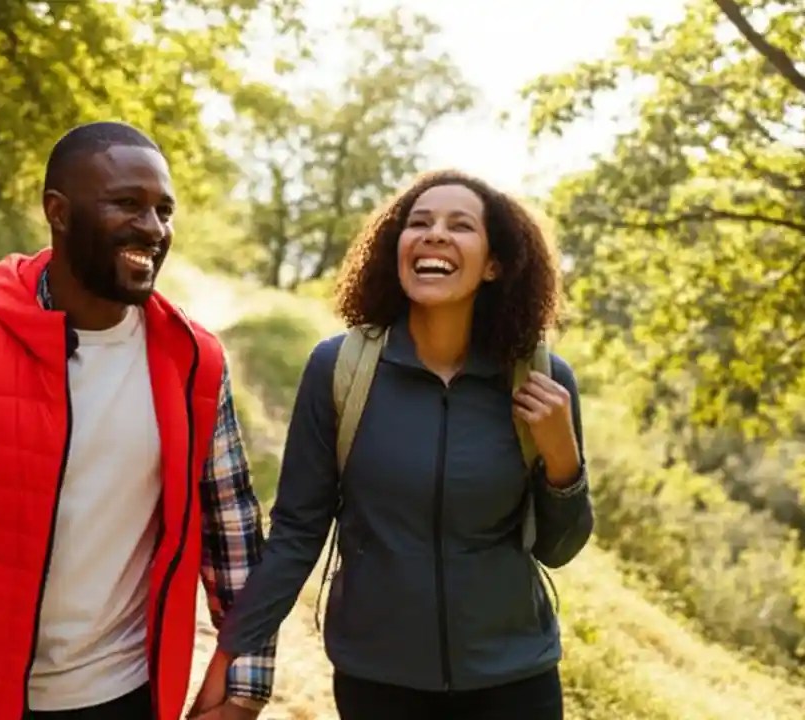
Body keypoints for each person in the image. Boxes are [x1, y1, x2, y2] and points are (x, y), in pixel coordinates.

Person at [0, 121, 275, 720]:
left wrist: (246, 685)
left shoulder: (195, 362)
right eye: (127, 204)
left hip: (127, 698)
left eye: (164, 210)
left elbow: (237, 545)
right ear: (58, 212)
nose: (153, 228)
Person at [215, 169, 594, 720]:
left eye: (459, 225)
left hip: (515, 680)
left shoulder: (540, 379)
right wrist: (232, 653)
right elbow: (298, 531)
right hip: (378, 681)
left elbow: (558, 549)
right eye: (419, 223)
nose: (435, 234)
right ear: (397, 250)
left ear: (495, 264)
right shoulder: (341, 369)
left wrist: (563, 461)